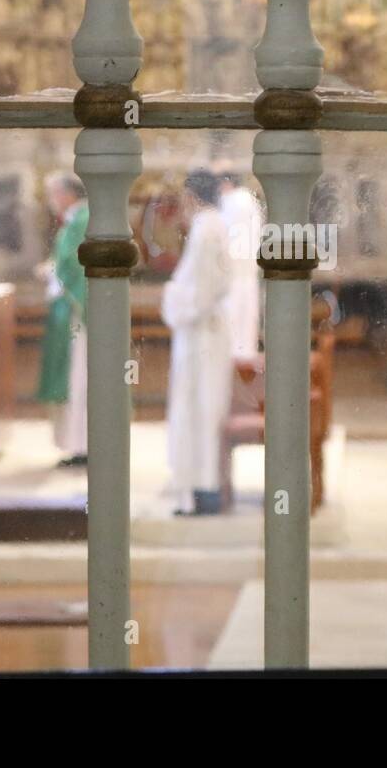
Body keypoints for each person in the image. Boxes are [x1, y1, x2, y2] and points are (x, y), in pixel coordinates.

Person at [160, 169, 233, 515]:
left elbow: (201, 292)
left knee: (199, 409)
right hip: (204, 331)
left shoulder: (207, 229)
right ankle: (201, 486)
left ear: (191, 196)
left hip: (201, 333)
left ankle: (202, 489)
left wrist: (172, 298)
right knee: (202, 407)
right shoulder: (213, 225)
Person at [35, 172, 90, 466]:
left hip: (78, 318)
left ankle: (82, 447)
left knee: (80, 379)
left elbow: (73, 267)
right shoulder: (78, 219)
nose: (50, 201)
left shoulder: (80, 220)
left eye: (53, 194)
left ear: (68, 194)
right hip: (76, 313)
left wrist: (51, 272)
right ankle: (78, 445)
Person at [218, 173, 263, 359]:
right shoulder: (252, 203)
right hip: (249, 267)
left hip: (232, 268)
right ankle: (247, 354)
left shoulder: (229, 202)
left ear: (227, 183)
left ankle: (233, 355)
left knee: (231, 314)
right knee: (248, 312)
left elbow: (222, 236)